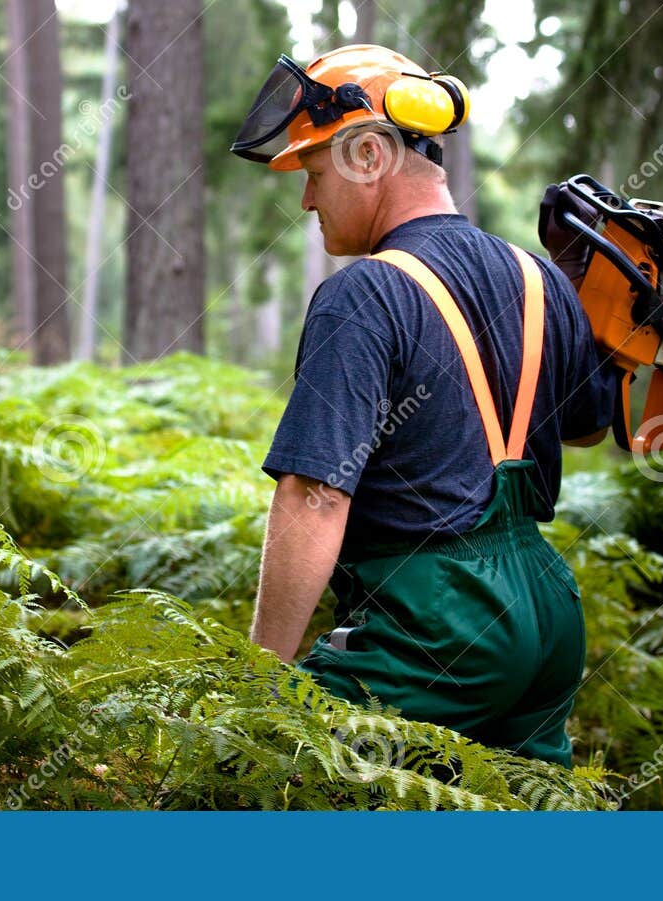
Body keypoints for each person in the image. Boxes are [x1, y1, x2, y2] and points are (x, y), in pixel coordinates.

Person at [229, 44, 617, 768]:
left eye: (314, 174)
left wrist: (258, 683)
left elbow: (314, 497)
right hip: (549, 617)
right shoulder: (541, 279)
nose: (308, 201)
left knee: (267, 777)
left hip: (437, 626)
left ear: (370, 155)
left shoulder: (363, 296)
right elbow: (590, 426)